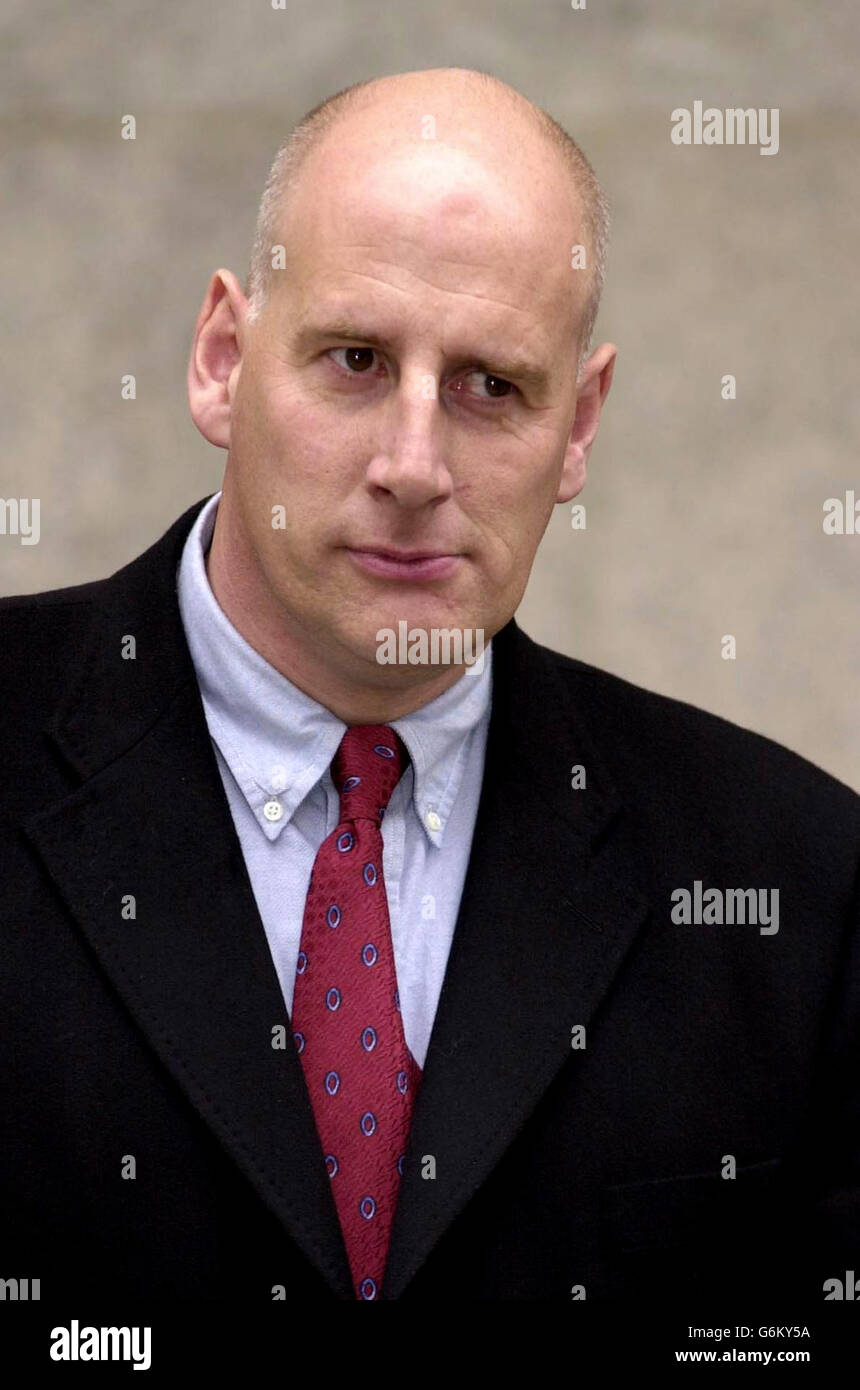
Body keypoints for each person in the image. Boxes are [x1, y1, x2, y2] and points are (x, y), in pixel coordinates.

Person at [1, 67, 857, 1306]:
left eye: (489, 387)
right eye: (354, 360)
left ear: (577, 427)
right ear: (222, 359)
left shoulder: (794, 887)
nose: (413, 464)